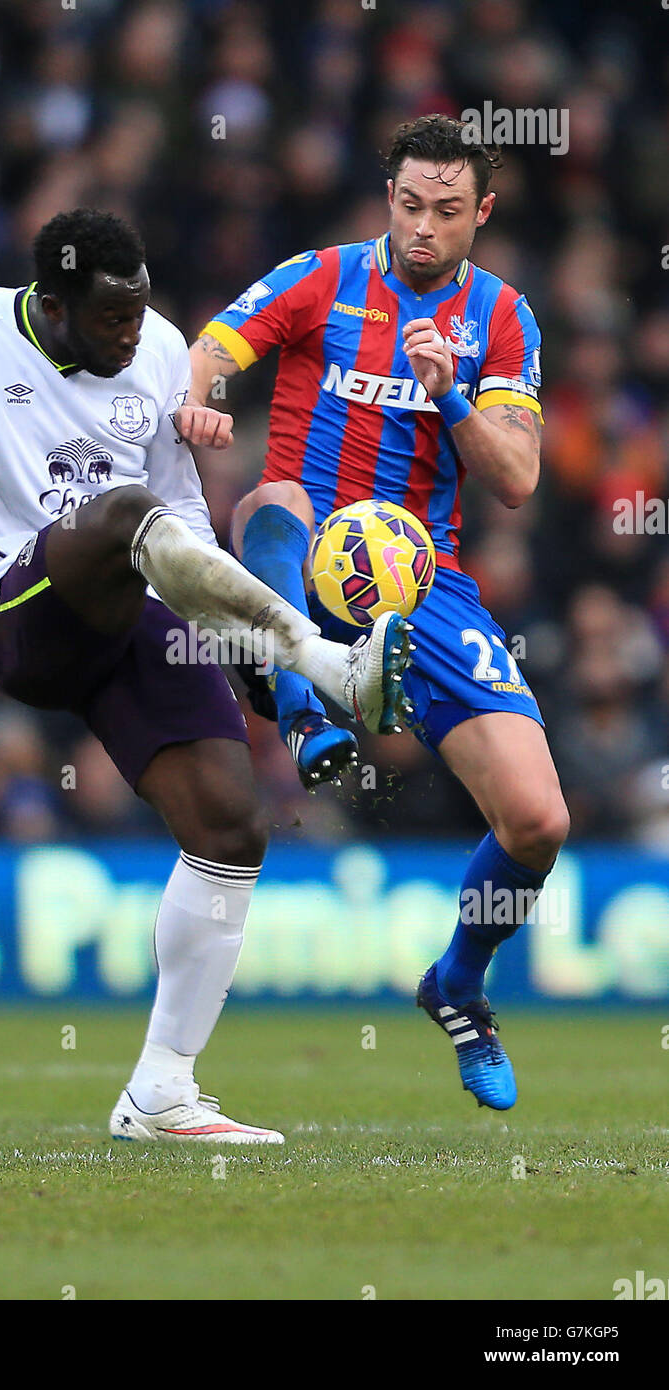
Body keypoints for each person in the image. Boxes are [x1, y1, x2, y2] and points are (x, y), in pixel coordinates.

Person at [0, 208, 411, 1144]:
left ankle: (160, 1093)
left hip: (129, 608)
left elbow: (180, 514)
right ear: (52, 308)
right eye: (112, 320)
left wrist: (233, 645)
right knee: (119, 515)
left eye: (141, 314)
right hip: (19, 616)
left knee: (231, 821)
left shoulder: (156, 350)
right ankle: (331, 667)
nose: (135, 335)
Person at [177, 116, 570, 1112]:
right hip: (304, 557)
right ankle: (305, 707)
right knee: (268, 502)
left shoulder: (504, 319)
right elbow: (209, 349)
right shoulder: (320, 276)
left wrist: (450, 398)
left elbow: (518, 478)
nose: (423, 228)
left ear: (481, 210)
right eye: (408, 206)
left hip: (421, 580)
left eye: (447, 210)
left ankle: (457, 983)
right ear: (385, 195)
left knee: (536, 819)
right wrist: (199, 401)